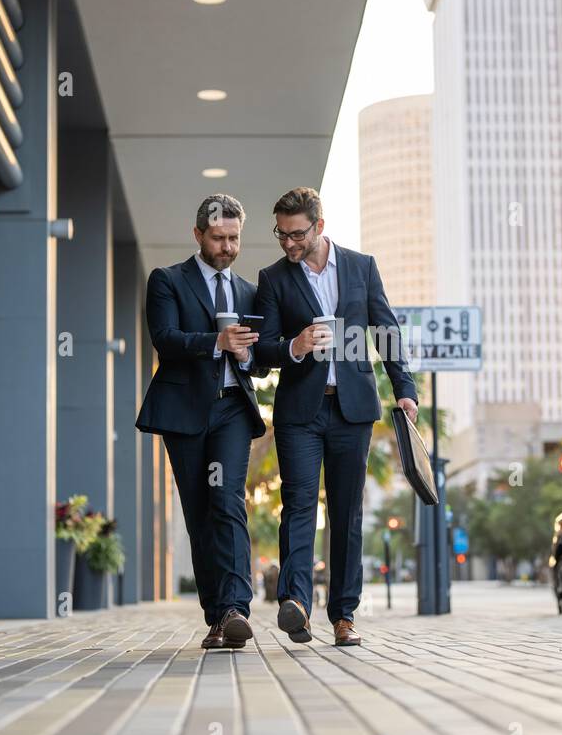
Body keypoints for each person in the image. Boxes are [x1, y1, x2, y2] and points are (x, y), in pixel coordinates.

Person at [254, 187, 417, 646]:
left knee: (347, 513)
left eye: (296, 234)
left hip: (353, 410)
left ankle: (344, 615)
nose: (288, 243)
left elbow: (385, 330)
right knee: (300, 506)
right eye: (281, 235)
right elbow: (263, 351)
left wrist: (405, 390)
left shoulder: (361, 267)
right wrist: (294, 346)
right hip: (299, 414)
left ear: (319, 226)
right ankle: (297, 604)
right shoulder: (273, 279)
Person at [135, 194, 266, 649]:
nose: (227, 247)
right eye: (218, 238)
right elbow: (165, 340)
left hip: (232, 406)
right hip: (186, 410)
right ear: (198, 235)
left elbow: (261, 361)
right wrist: (218, 341)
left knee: (227, 500)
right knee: (198, 511)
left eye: (234, 238)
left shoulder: (250, 291)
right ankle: (216, 615)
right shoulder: (167, 280)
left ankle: (236, 608)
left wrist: (249, 353)